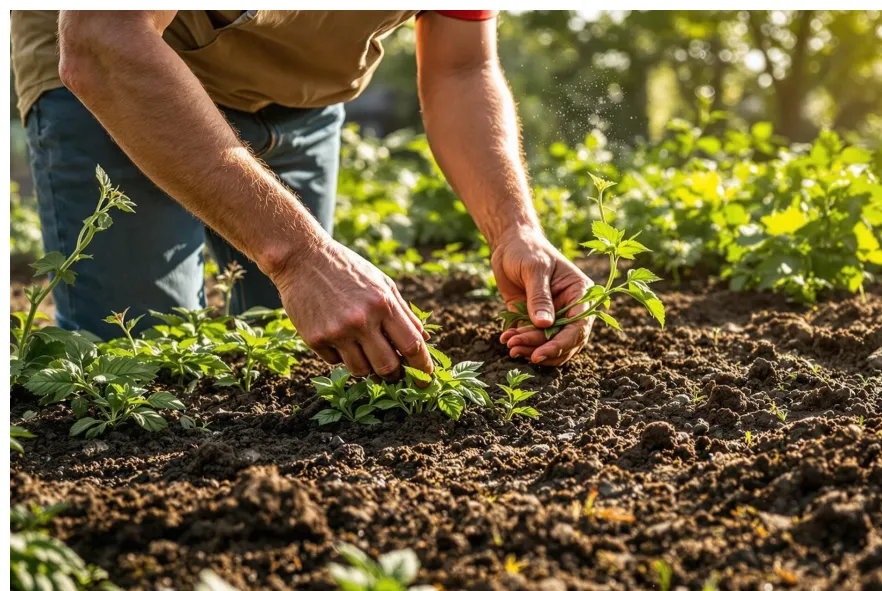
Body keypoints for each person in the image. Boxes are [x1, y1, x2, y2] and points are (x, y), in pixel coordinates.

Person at [10, 10, 594, 381]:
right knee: (137, 362)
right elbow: (102, 39)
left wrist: (515, 227)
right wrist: (299, 255)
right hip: (122, 73)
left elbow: (460, 69)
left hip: (302, 93)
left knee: (312, 353)